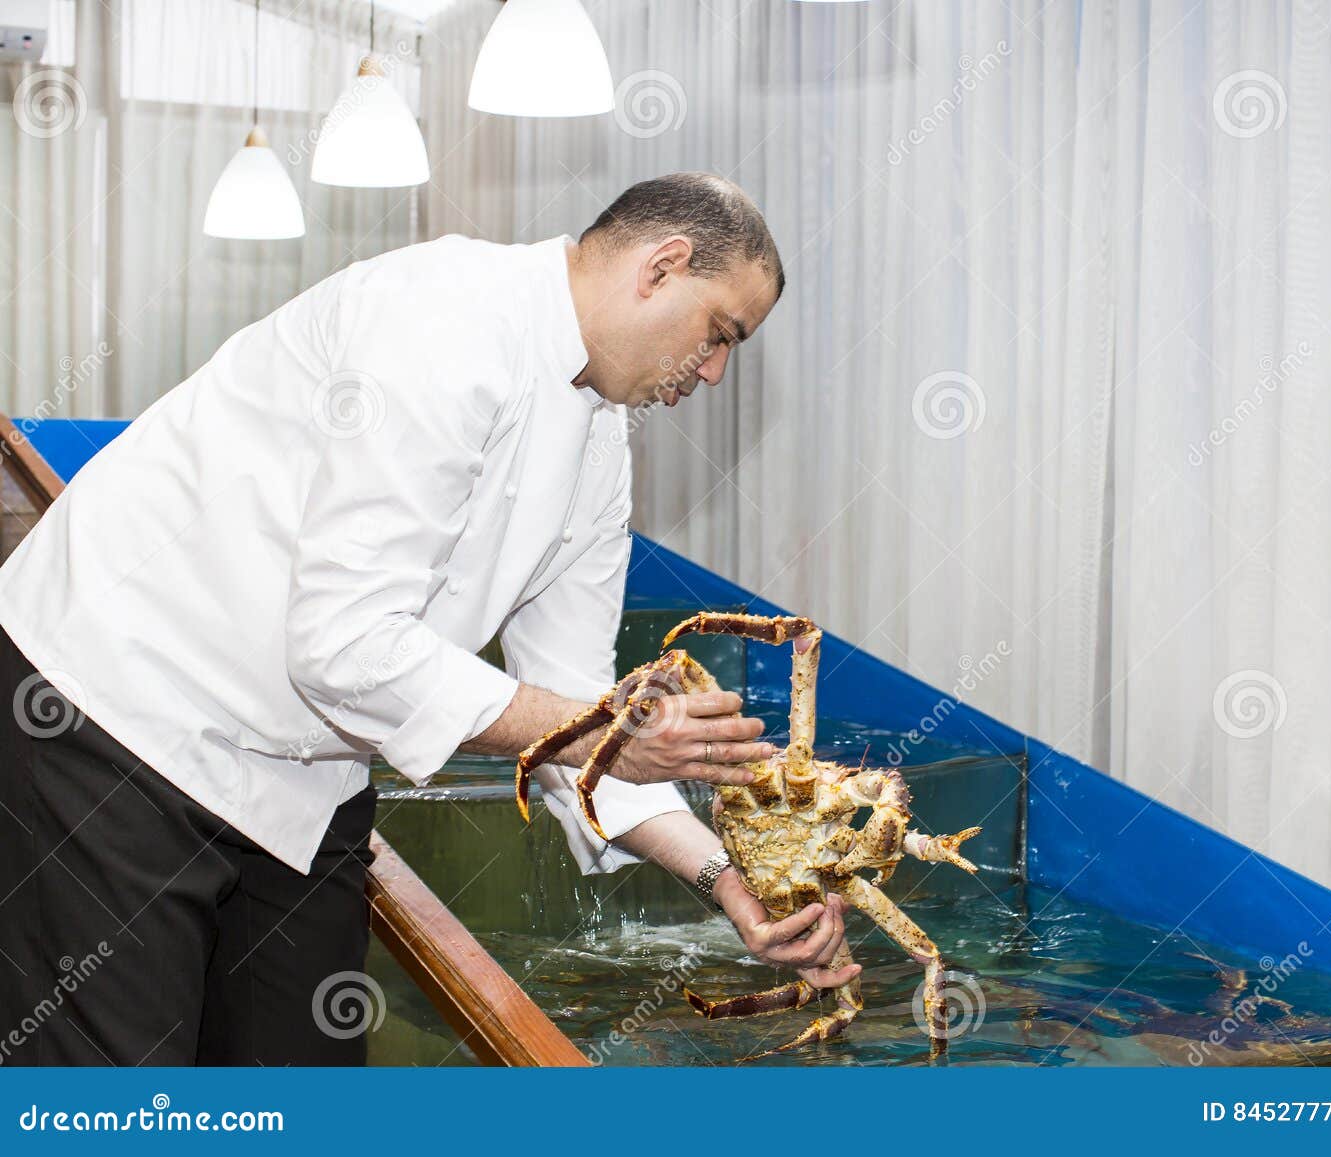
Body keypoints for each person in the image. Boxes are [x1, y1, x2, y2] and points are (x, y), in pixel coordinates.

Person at [0, 172, 858, 1066]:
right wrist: (594, 729)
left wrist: (728, 880)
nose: (715, 370)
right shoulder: (444, 317)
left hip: (301, 770)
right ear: (663, 266)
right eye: (719, 333)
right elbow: (348, 645)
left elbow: (573, 707)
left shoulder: (601, 440)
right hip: (118, 706)